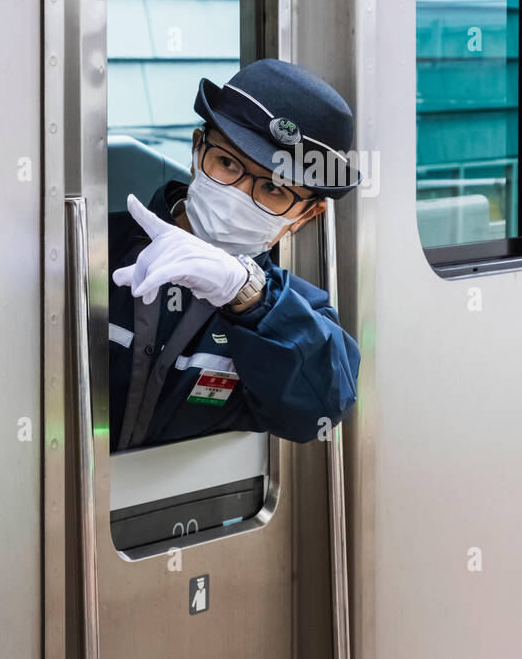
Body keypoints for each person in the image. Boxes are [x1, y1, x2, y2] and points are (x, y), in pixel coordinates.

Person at [108, 58, 361, 452]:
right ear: (197, 150)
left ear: (306, 216)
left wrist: (248, 298)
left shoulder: (294, 315)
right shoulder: (98, 248)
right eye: (227, 163)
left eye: (274, 189)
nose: (237, 196)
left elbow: (319, 410)